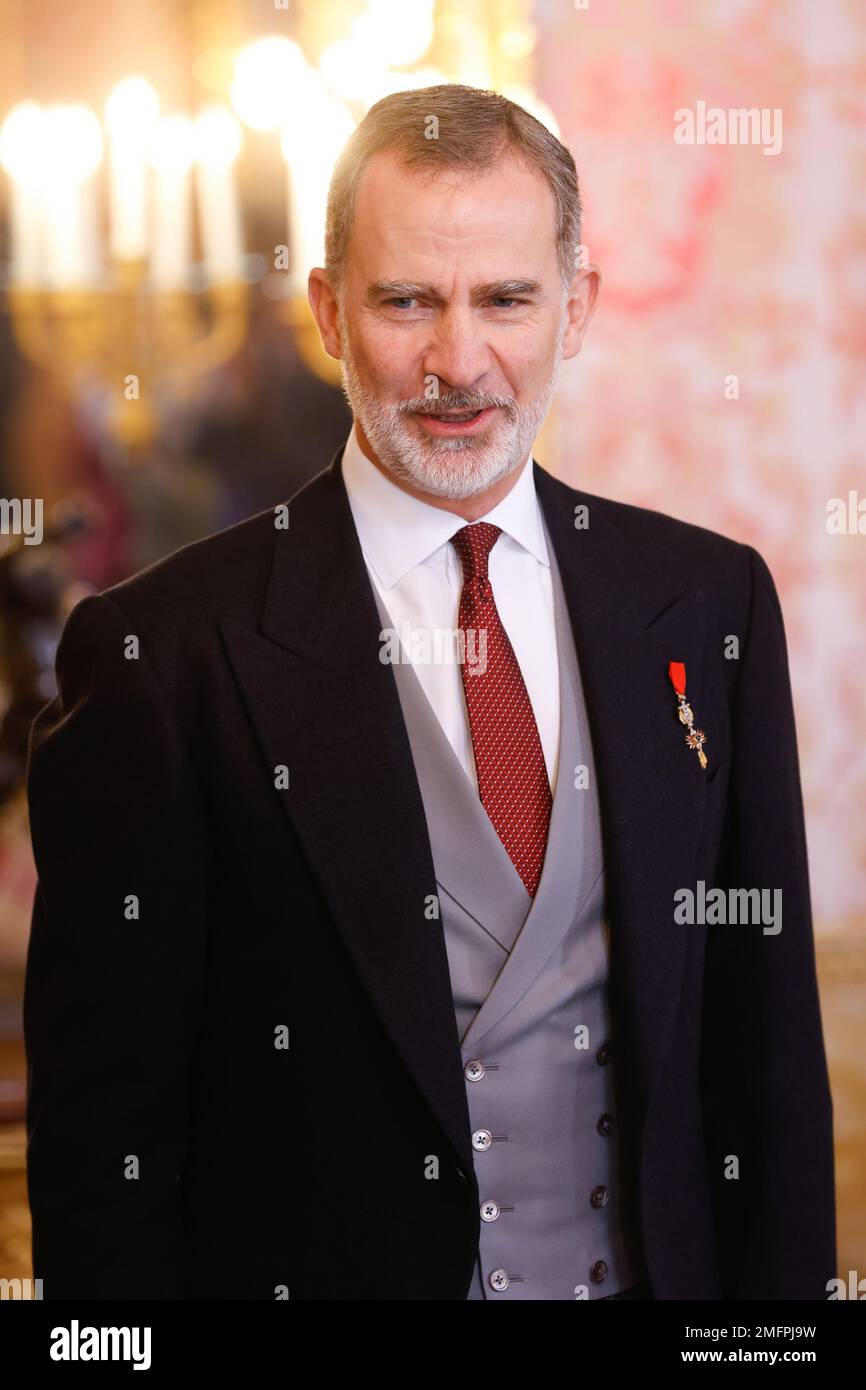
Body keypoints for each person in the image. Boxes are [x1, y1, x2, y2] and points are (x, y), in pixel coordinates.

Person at [24, 83, 835, 1300]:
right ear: (327, 313)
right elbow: (106, 1150)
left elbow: (764, 1066)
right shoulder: (163, 653)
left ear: (577, 310)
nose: (457, 363)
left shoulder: (706, 604)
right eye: (406, 301)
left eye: (504, 299)